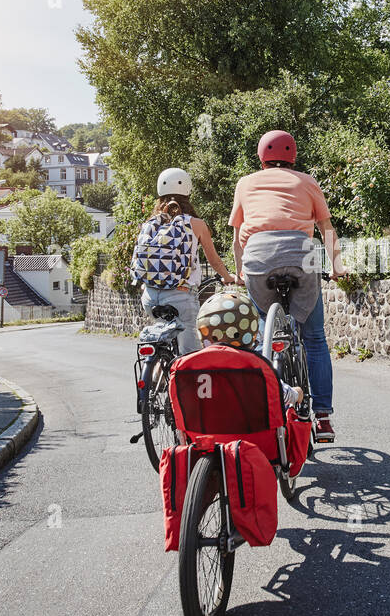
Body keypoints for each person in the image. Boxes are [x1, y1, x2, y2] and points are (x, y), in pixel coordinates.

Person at [229, 130, 347, 441]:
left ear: (261, 157)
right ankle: (322, 416)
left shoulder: (245, 183)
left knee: (262, 336)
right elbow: (325, 228)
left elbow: (237, 234)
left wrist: (240, 273)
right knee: (315, 338)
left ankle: (266, 398)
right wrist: (336, 267)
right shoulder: (307, 181)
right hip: (301, 256)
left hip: (258, 257)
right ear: (293, 156)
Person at [130, 167, 236, 355]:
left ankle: (154, 378)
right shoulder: (196, 224)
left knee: (161, 347)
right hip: (180, 296)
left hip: (150, 298)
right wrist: (228, 277)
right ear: (188, 191)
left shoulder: (151, 224)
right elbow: (214, 261)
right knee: (190, 356)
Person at [193, 288, 302, 408]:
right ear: (252, 334)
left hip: (207, 426)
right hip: (252, 426)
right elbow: (283, 395)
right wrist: (297, 393)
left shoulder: (192, 373)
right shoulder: (257, 371)